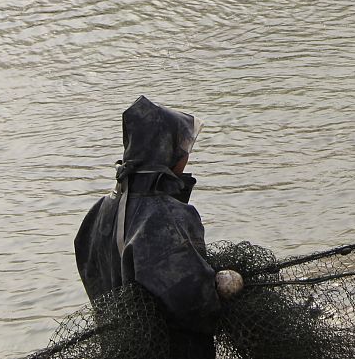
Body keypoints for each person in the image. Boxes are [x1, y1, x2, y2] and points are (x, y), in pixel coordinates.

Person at [75, 96, 236, 358]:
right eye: (182, 145)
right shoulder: (165, 215)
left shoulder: (98, 211)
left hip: (119, 349)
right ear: (164, 151)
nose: (186, 153)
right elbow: (191, 300)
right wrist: (223, 291)